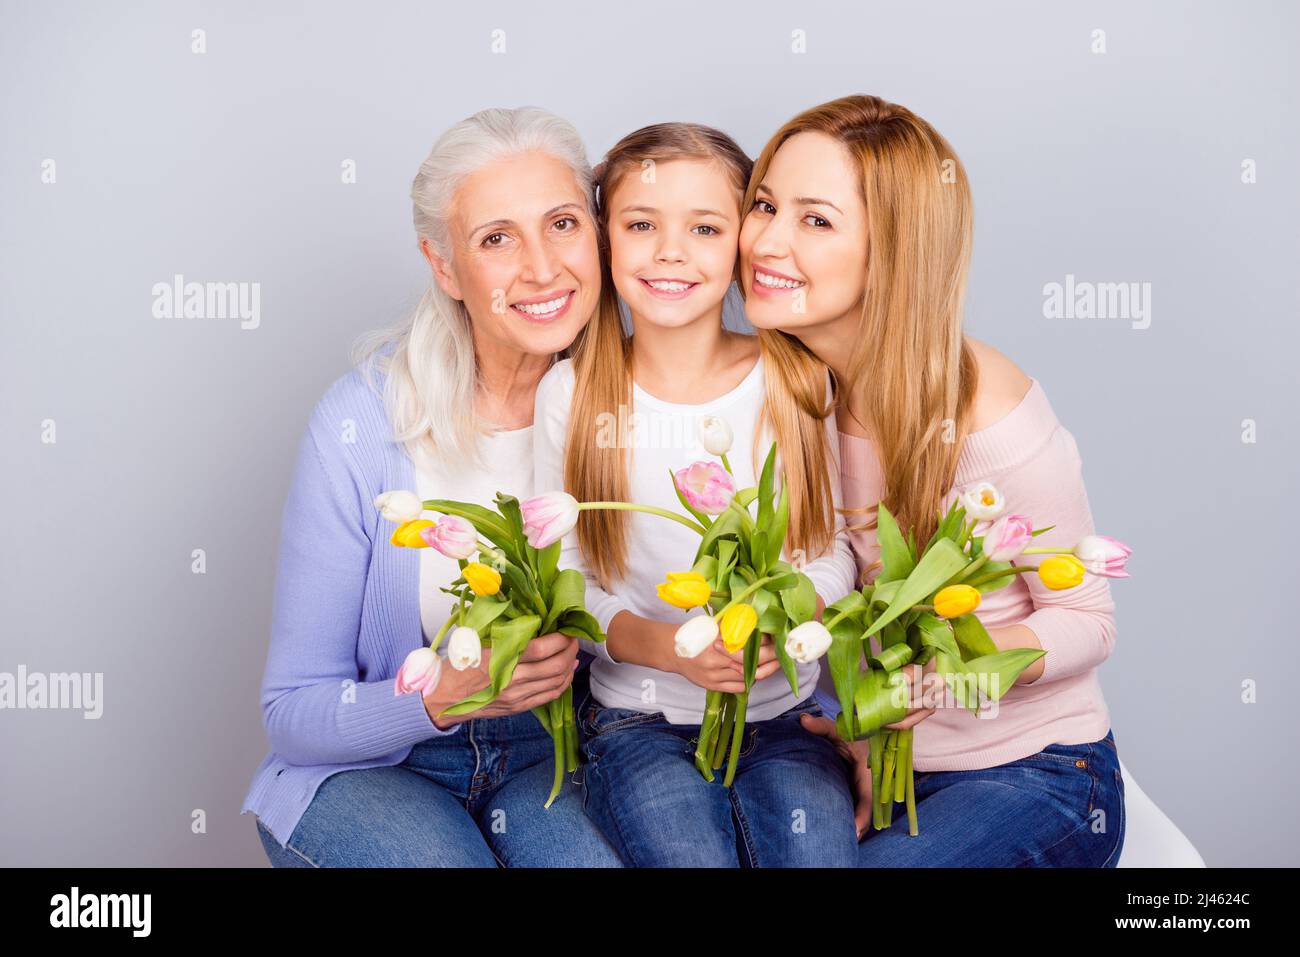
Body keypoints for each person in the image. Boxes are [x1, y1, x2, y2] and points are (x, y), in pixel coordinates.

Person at [737, 94, 1125, 867]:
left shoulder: (983, 408)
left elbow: (1089, 619)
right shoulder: (798, 398)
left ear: (896, 249)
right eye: (765, 205)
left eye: (816, 220)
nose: (766, 241)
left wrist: (940, 675)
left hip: (1041, 776)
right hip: (890, 774)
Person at [241, 106, 621, 867]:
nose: (543, 267)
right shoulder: (363, 421)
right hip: (378, 766)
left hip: (548, 760)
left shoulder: (633, 406)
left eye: (563, 223)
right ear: (444, 265)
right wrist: (440, 694)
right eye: (496, 238)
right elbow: (293, 710)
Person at [532, 122, 859, 867]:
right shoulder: (575, 395)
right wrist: (674, 653)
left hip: (786, 720)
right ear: (607, 242)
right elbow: (569, 585)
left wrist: (788, 619)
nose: (670, 251)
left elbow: (830, 552)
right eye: (642, 225)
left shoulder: (792, 380)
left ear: (741, 244)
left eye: (704, 227)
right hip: (638, 721)